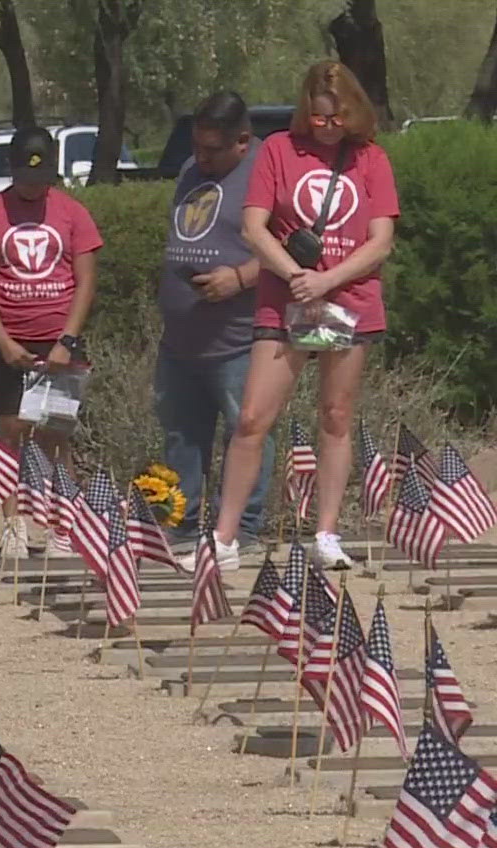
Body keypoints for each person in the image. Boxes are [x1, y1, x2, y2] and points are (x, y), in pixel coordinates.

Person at [196, 61, 398, 572]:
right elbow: (254, 228)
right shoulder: (280, 152)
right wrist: (294, 277)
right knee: (252, 417)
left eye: (337, 118)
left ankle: (326, 532)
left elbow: (381, 241)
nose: (328, 127)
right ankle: (224, 538)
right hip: (284, 300)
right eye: (319, 117)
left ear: (352, 112)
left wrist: (327, 281)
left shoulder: (371, 159)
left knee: (335, 416)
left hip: (347, 301)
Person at [0, 126, 103, 559]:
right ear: (11, 167)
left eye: (41, 178)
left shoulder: (72, 213)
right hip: (9, 342)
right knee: (12, 433)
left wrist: (67, 341)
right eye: (25, 177)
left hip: (58, 342)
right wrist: (2, 342)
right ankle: (14, 524)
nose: (33, 186)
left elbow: (85, 282)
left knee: (57, 434)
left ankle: (63, 526)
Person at [156, 92, 270, 549]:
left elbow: (298, 254)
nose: (199, 158)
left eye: (211, 150)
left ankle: (241, 528)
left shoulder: (269, 173)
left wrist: (241, 278)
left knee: (247, 429)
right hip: (181, 338)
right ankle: (179, 525)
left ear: (242, 141)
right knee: (178, 433)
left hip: (239, 340)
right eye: (196, 147)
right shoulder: (190, 170)